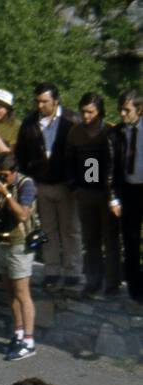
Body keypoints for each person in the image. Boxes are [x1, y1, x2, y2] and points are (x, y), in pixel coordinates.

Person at [16, 83, 80, 292]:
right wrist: (28, 181)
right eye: (38, 101)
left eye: (45, 101)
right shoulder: (29, 123)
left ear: (56, 101)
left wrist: (86, 183)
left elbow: (88, 154)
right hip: (42, 183)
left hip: (67, 185)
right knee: (48, 231)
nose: (40, 105)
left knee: (70, 230)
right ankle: (51, 271)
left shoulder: (72, 121)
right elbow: (21, 155)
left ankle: (72, 271)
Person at [0, 152, 40, 361]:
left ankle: (29, 341)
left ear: (14, 172)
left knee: (23, 293)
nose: (1, 179)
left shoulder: (26, 184)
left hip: (19, 244)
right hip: (2, 242)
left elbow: (23, 214)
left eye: (5, 175)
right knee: (10, 292)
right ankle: (18, 333)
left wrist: (6, 193)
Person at [66, 92, 120, 298]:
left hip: (106, 194)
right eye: (83, 112)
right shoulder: (75, 133)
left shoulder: (110, 132)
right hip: (85, 192)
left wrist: (114, 194)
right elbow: (68, 160)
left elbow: (116, 166)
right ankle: (93, 280)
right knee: (90, 240)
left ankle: (112, 283)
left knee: (111, 239)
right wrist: (73, 186)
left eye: (91, 112)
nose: (86, 116)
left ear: (100, 112)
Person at [110, 90, 142, 302]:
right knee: (130, 240)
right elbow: (109, 167)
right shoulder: (117, 133)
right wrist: (113, 197)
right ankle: (134, 288)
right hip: (128, 190)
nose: (122, 114)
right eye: (120, 109)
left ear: (139, 110)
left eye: (127, 110)